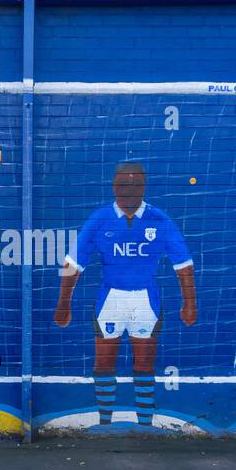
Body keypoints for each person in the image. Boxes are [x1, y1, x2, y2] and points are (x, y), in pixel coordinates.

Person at [54, 162, 197, 426]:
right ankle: (105, 423)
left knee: (144, 365)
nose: (129, 191)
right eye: (123, 185)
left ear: (144, 187)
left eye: (136, 185)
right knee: (105, 363)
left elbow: (183, 264)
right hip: (110, 300)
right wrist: (64, 303)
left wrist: (190, 303)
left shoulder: (159, 220)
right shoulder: (100, 220)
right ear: (113, 187)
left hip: (146, 301)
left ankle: (145, 425)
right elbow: (72, 264)